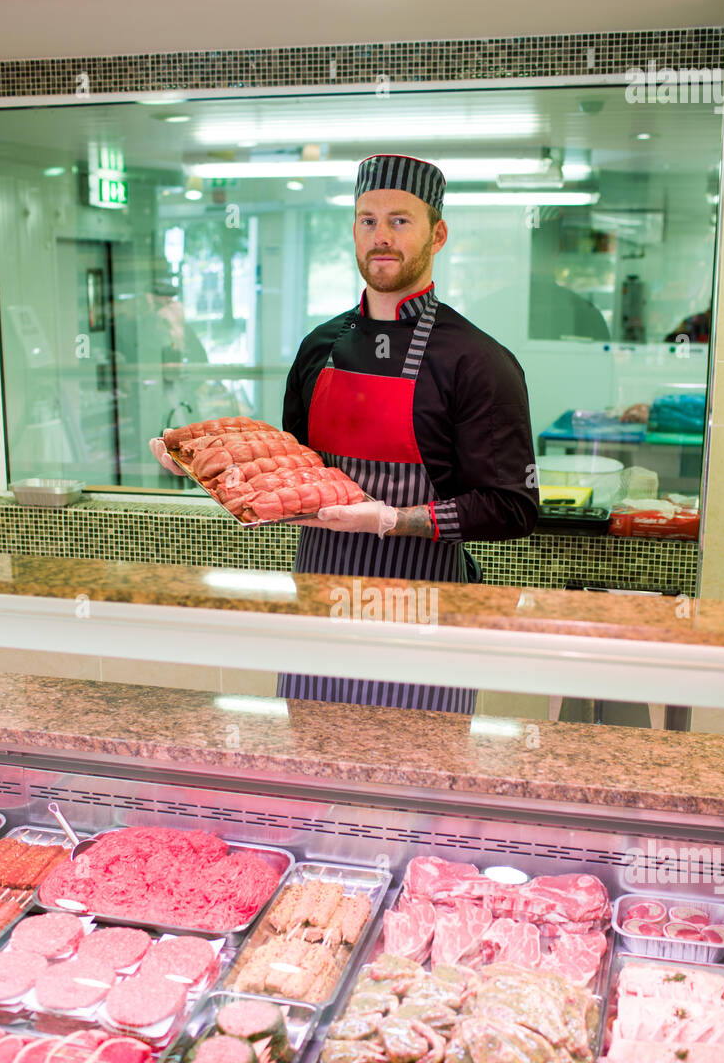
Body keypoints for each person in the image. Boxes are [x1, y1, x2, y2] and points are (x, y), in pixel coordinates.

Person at [153, 154, 538, 712]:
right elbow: (290, 473)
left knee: (415, 780)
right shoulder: (320, 347)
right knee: (311, 766)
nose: (381, 236)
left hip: (422, 605)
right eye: (367, 220)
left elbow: (513, 507)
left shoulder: (478, 361)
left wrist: (390, 519)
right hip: (319, 600)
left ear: (439, 234)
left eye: (400, 221)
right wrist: (201, 462)